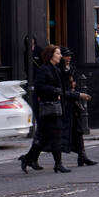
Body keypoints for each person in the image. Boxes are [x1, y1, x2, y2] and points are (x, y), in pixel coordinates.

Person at [21, 44, 71, 173]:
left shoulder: (56, 69)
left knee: (45, 137)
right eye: (58, 53)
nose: (60, 56)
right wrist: (55, 90)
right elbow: (39, 87)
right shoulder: (44, 70)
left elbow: (65, 83)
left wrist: (66, 68)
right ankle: (58, 164)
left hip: (55, 107)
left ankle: (27, 158)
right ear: (51, 55)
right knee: (56, 136)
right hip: (48, 108)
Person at [60, 48, 96, 166]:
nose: (69, 58)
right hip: (63, 105)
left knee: (78, 130)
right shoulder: (58, 70)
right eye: (66, 56)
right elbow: (63, 91)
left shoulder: (71, 69)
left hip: (73, 104)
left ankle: (82, 156)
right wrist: (78, 94)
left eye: (69, 56)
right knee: (53, 135)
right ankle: (32, 156)